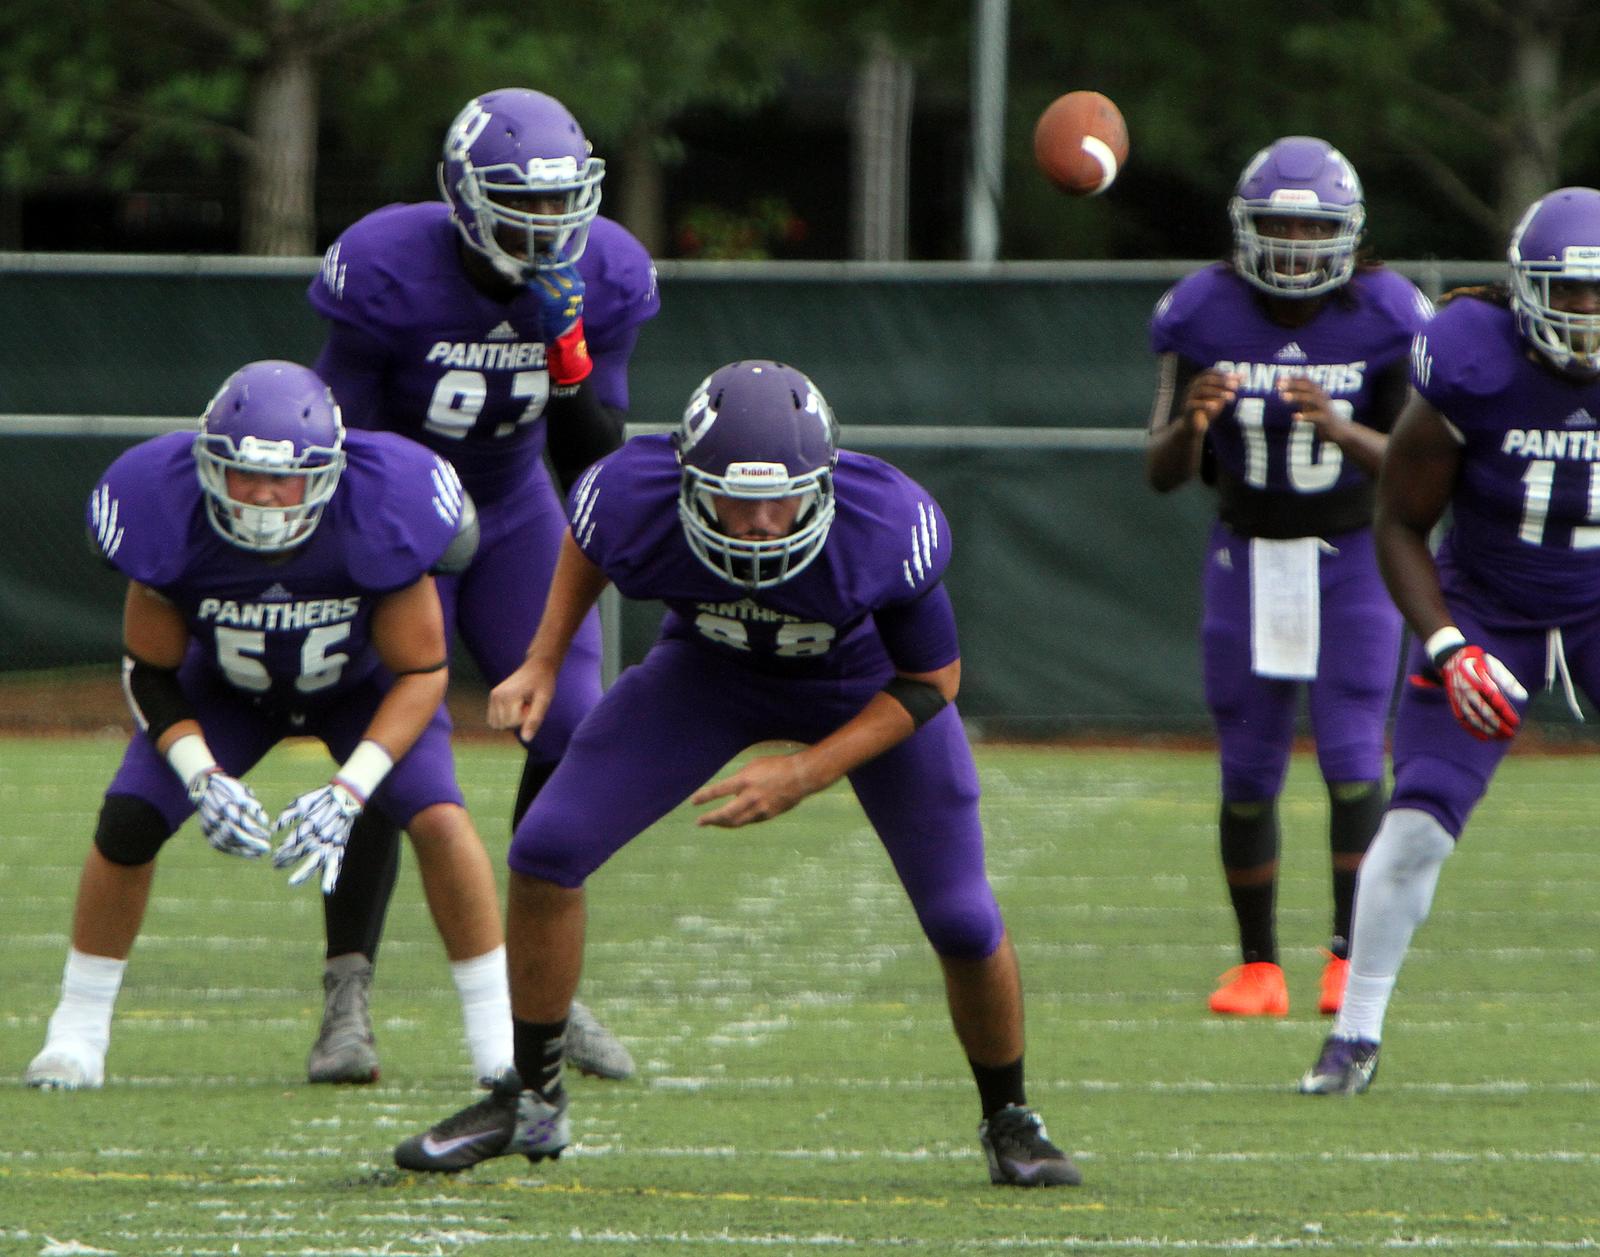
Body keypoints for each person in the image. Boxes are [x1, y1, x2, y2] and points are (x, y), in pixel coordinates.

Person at [389, 360, 1081, 1187]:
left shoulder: (886, 523)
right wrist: (543, 657)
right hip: (707, 672)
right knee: (545, 849)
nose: (757, 522)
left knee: (963, 917)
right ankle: (532, 1099)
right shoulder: (632, 493)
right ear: (689, 480)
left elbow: (934, 681)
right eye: (734, 498)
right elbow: (588, 540)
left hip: (862, 686)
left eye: (780, 499)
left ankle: (1011, 1118)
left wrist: (806, 772)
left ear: (822, 483)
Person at [25, 360, 515, 1091]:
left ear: (328, 473)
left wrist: (351, 789)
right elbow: (147, 669)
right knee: (128, 820)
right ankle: (76, 1032)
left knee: (440, 818)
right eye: (243, 473)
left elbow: (421, 672)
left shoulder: (384, 504)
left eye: (284, 479)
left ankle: (499, 1039)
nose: (260, 495)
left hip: (360, 689)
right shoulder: (165, 508)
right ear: (206, 464)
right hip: (226, 689)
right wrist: (199, 771)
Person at [304, 86, 659, 1084]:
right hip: (393, 518)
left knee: (575, 723)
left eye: (560, 201)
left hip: (512, 509)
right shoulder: (385, 264)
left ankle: (543, 984)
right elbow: (338, 437)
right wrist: (392, 530)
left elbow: (593, 461)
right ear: (463, 196)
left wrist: (568, 351)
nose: (546, 223)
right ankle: (346, 992)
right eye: (522, 201)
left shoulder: (607, 272)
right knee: (393, 749)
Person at [1301, 186, 1600, 1093]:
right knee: (1417, 824)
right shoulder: (1471, 358)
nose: (1586, 310)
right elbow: (1399, 520)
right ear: (1524, 290)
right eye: (1568, 289)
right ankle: (1355, 1035)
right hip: (1488, 606)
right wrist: (1446, 645)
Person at [1145, 136, 1433, 1018]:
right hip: (1246, 550)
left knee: (1352, 754)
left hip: (1353, 553)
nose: (1296, 243)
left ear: (1349, 232)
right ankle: (1257, 965)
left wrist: (1340, 428)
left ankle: (1349, 955)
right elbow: (1160, 471)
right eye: (1279, 224)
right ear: (1246, 228)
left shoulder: (1390, 314)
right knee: (1246, 766)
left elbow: (1419, 468)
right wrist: (1192, 427)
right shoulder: (1201, 311)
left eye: (1313, 227)